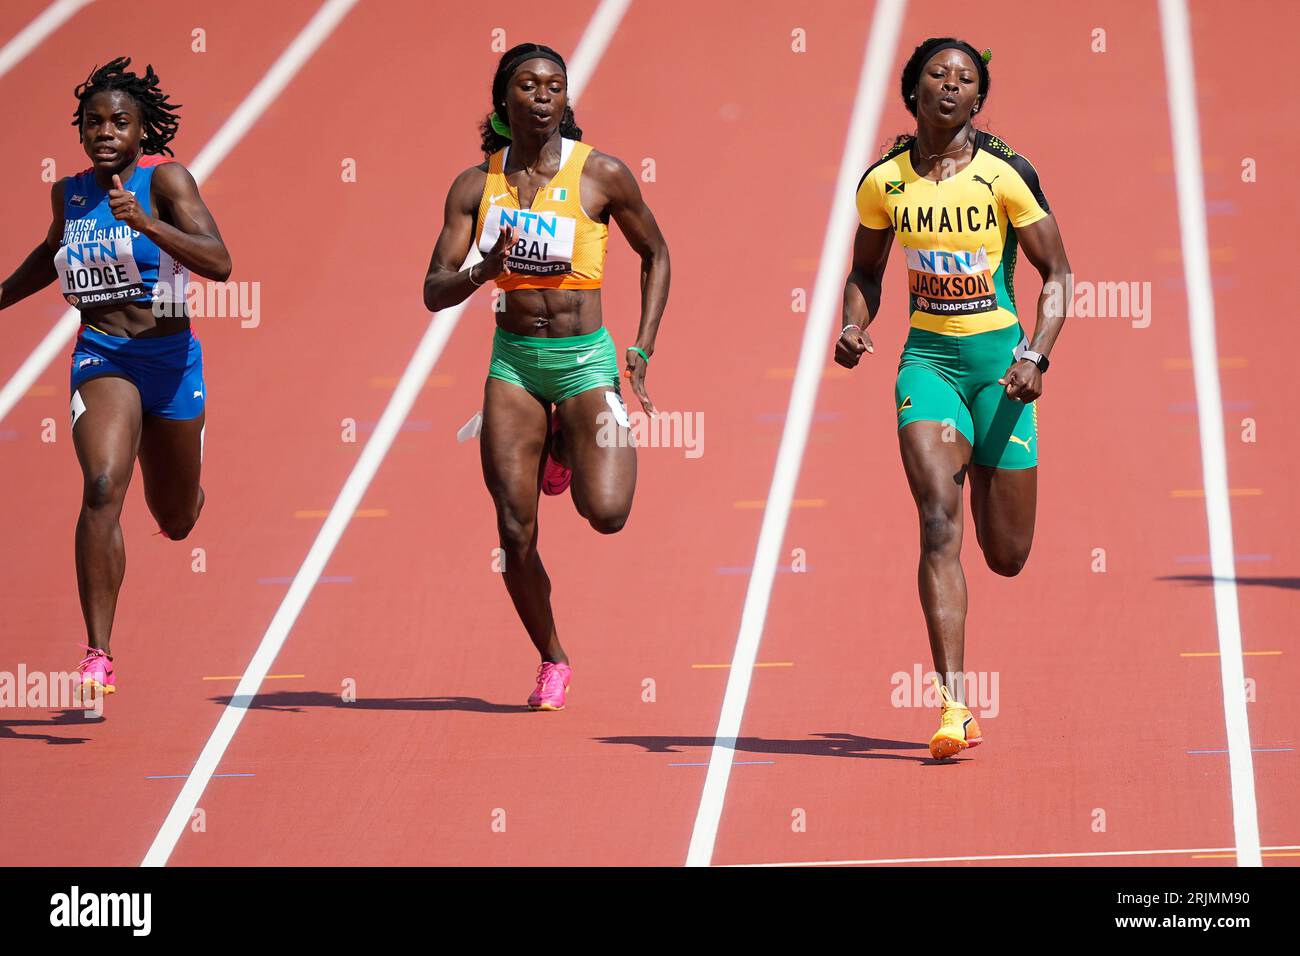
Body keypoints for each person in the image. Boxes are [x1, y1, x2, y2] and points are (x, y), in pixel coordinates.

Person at [836, 38, 1071, 758]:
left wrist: (1036, 354)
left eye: (965, 79)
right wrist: (853, 322)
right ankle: (953, 707)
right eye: (937, 75)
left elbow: (1057, 272)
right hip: (928, 365)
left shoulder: (1007, 175)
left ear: (978, 100)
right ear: (913, 93)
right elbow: (866, 273)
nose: (950, 85)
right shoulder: (884, 184)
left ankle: (989, 458)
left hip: (1002, 369)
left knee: (1006, 554)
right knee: (939, 520)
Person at [422, 43, 670, 711]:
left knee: (607, 514)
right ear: (504, 102)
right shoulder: (475, 187)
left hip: (585, 360)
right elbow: (433, 290)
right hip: (515, 366)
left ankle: (563, 447)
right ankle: (552, 657)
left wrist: (641, 347)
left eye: (553, 86)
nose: (541, 95)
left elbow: (656, 252)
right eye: (527, 85)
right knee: (513, 529)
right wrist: (482, 268)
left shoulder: (602, 175)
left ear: (565, 100)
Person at [0, 58, 232, 697]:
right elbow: (50, 257)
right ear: (80, 132)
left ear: (141, 130)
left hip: (172, 360)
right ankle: (98, 651)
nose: (105, 132)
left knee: (178, 517)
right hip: (103, 356)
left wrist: (148, 223)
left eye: (119, 122)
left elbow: (220, 263)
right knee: (103, 484)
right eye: (93, 122)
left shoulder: (168, 182)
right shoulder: (70, 193)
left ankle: (185, 482)